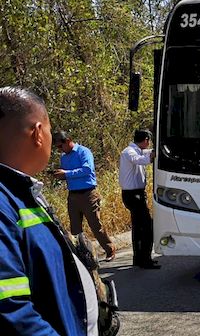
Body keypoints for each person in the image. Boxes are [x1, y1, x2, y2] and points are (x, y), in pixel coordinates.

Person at [0, 86, 99, 334]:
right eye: (50, 130)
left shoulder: (18, 192)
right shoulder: (4, 201)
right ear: (38, 133)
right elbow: (11, 311)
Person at [52, 131, 116, 261]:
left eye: (60, 146)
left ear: (68, 141)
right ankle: (81, 256)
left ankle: (110, 249)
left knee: (95, 225)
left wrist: (67, 173)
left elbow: (87, 170)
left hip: (88, 194)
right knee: (75, 229)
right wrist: (60, 175)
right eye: (57, 147)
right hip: (73, 195)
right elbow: (68, 174)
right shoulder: (64, 157)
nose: (59, 150)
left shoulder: (83, 152)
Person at [119, 130, 160, 269]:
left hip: (136, 194)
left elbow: (147, 153)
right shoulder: (129, 152)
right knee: (146, 227)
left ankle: (138, 258)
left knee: (138, 227)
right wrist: (152, 156)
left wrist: (154, 151)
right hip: (133, 195)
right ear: (146, 139)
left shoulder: (138, 150)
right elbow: (140, 159)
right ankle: (145, 260)